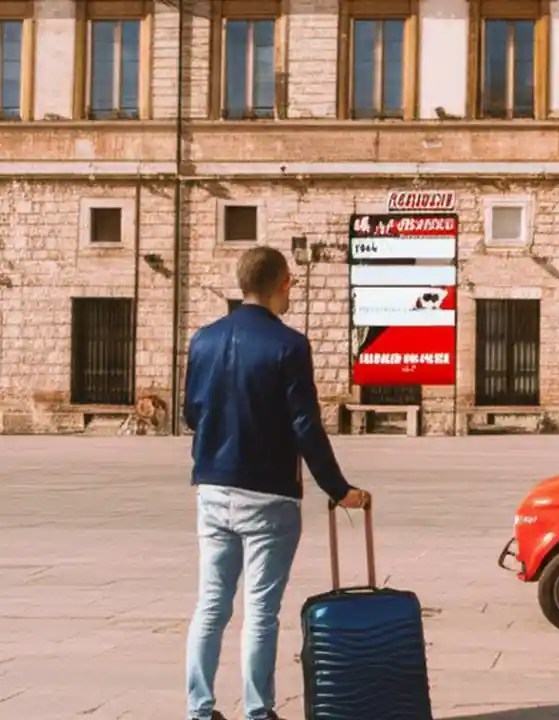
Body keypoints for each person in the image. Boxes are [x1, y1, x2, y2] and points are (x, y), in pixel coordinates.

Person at [183, 246, 370, 720]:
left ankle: (199, 710)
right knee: (260, 613)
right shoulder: (289, 346)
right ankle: (257, 710)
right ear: (283, 283)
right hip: (269, 496)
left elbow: (192, 413)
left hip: (211, 489)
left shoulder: (202, 340)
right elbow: (305, 425)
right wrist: (337, 488)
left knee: (210, 605)